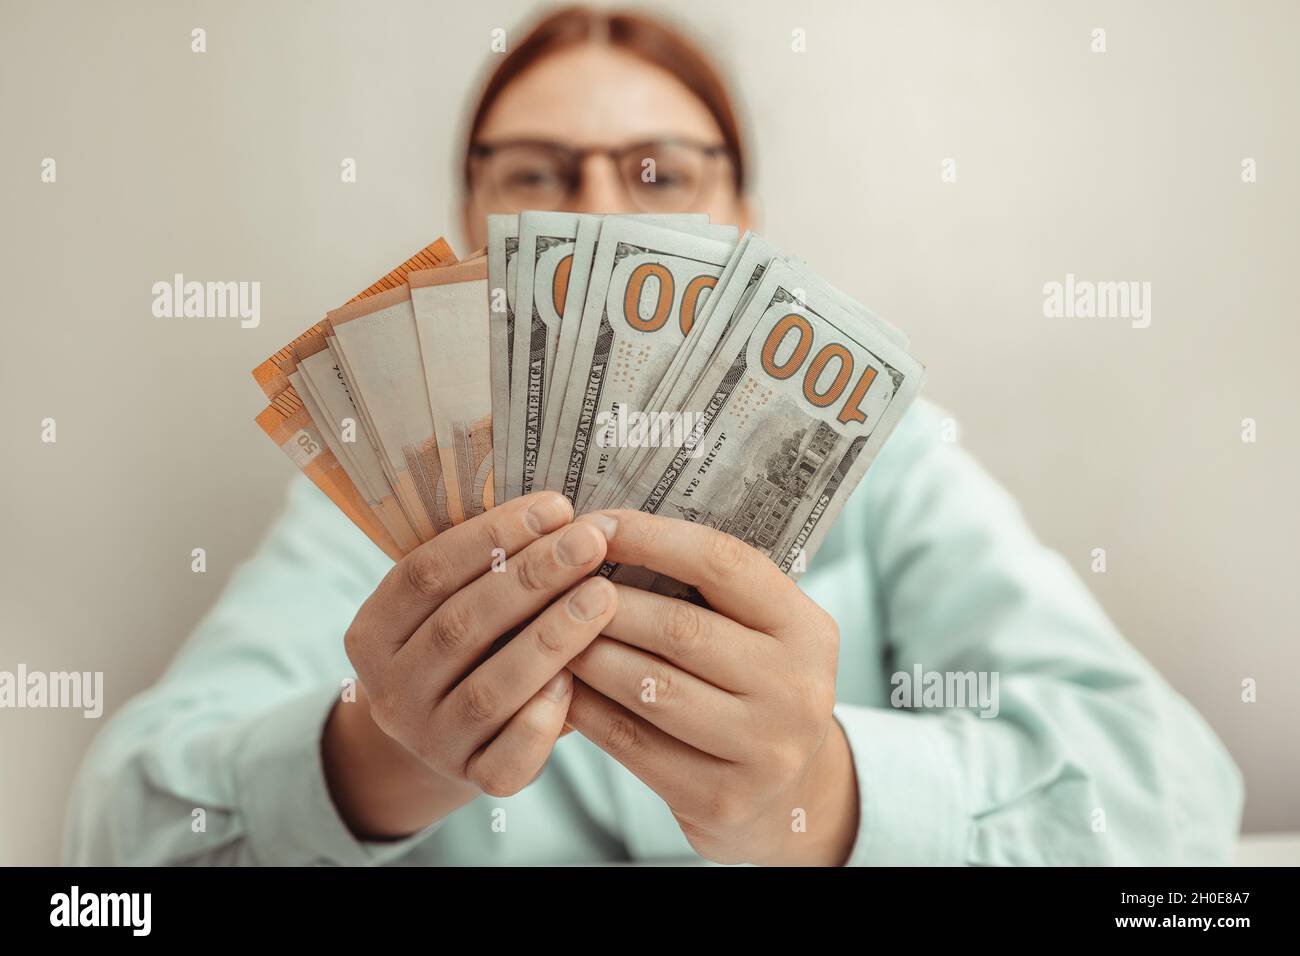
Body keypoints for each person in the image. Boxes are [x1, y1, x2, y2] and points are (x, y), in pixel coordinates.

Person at [64, 5, 1242, 866]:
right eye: (535, 175)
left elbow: (1176, 795)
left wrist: (825, 796)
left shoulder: (894, 471)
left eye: (658, 174)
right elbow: (112, 844)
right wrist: (377, 757)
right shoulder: (374, 506)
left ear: (743, 224)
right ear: (470, 231)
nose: (597, 216)